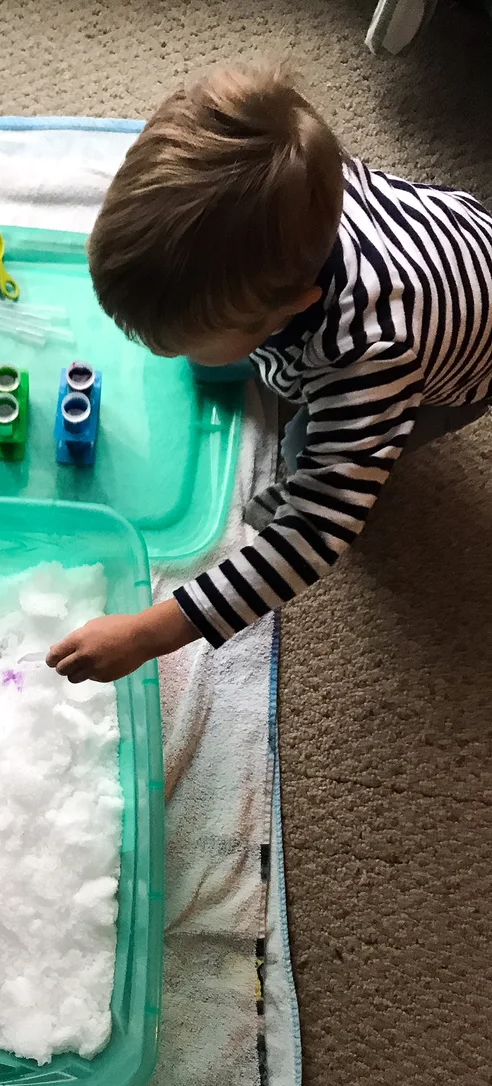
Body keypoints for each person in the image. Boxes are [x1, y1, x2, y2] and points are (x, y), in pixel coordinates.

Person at [48, 65, 492, 683]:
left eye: (182, 344)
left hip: (458, 361)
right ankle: (237, 351)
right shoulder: (300, 182)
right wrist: (213, 341)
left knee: (303, 444)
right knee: (224, 361)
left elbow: (315, 532)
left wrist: (151, 632)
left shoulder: (368, 357)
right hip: (441, 236)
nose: (165, 357)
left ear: (294, 308)